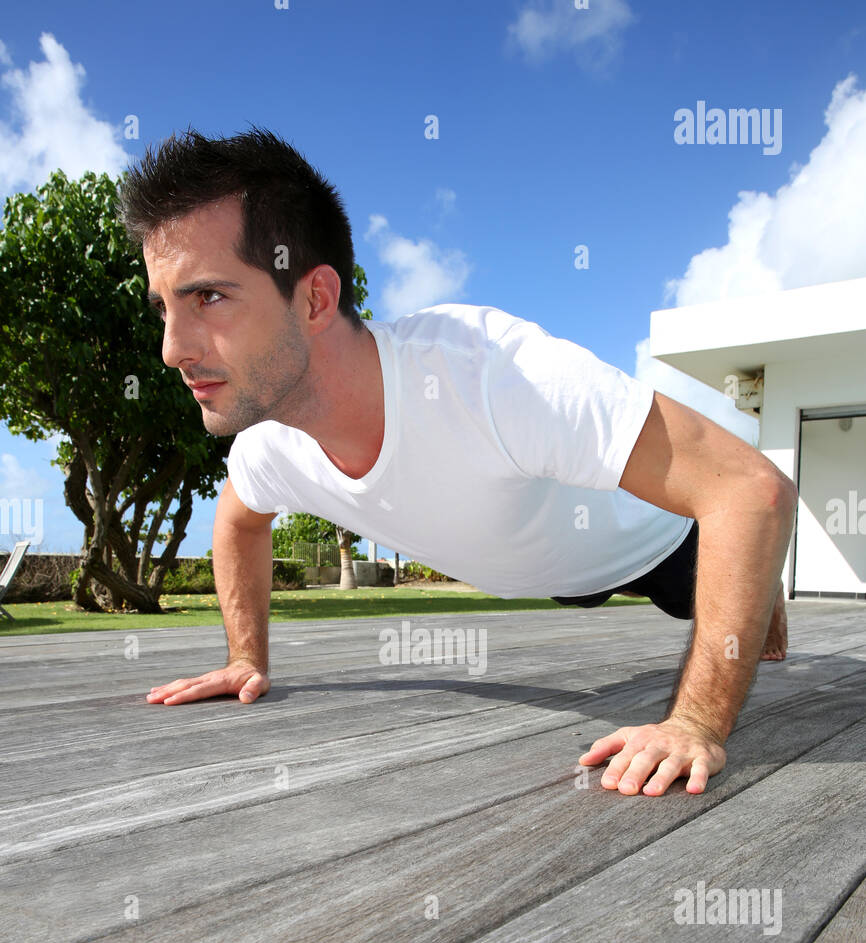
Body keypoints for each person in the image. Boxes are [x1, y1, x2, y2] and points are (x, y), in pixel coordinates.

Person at [122, 128, 796, 798]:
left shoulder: (490, 372)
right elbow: (239, 520)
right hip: (542, 561)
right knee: (574, 579)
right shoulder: (271, 444)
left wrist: (696, 722)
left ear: (315, 299)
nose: (171, 349)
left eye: (207, 297)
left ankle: (761, 592)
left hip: (647, 546)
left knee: (722, 589)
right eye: (164, 307)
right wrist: (245, 657)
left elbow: (750, 489)